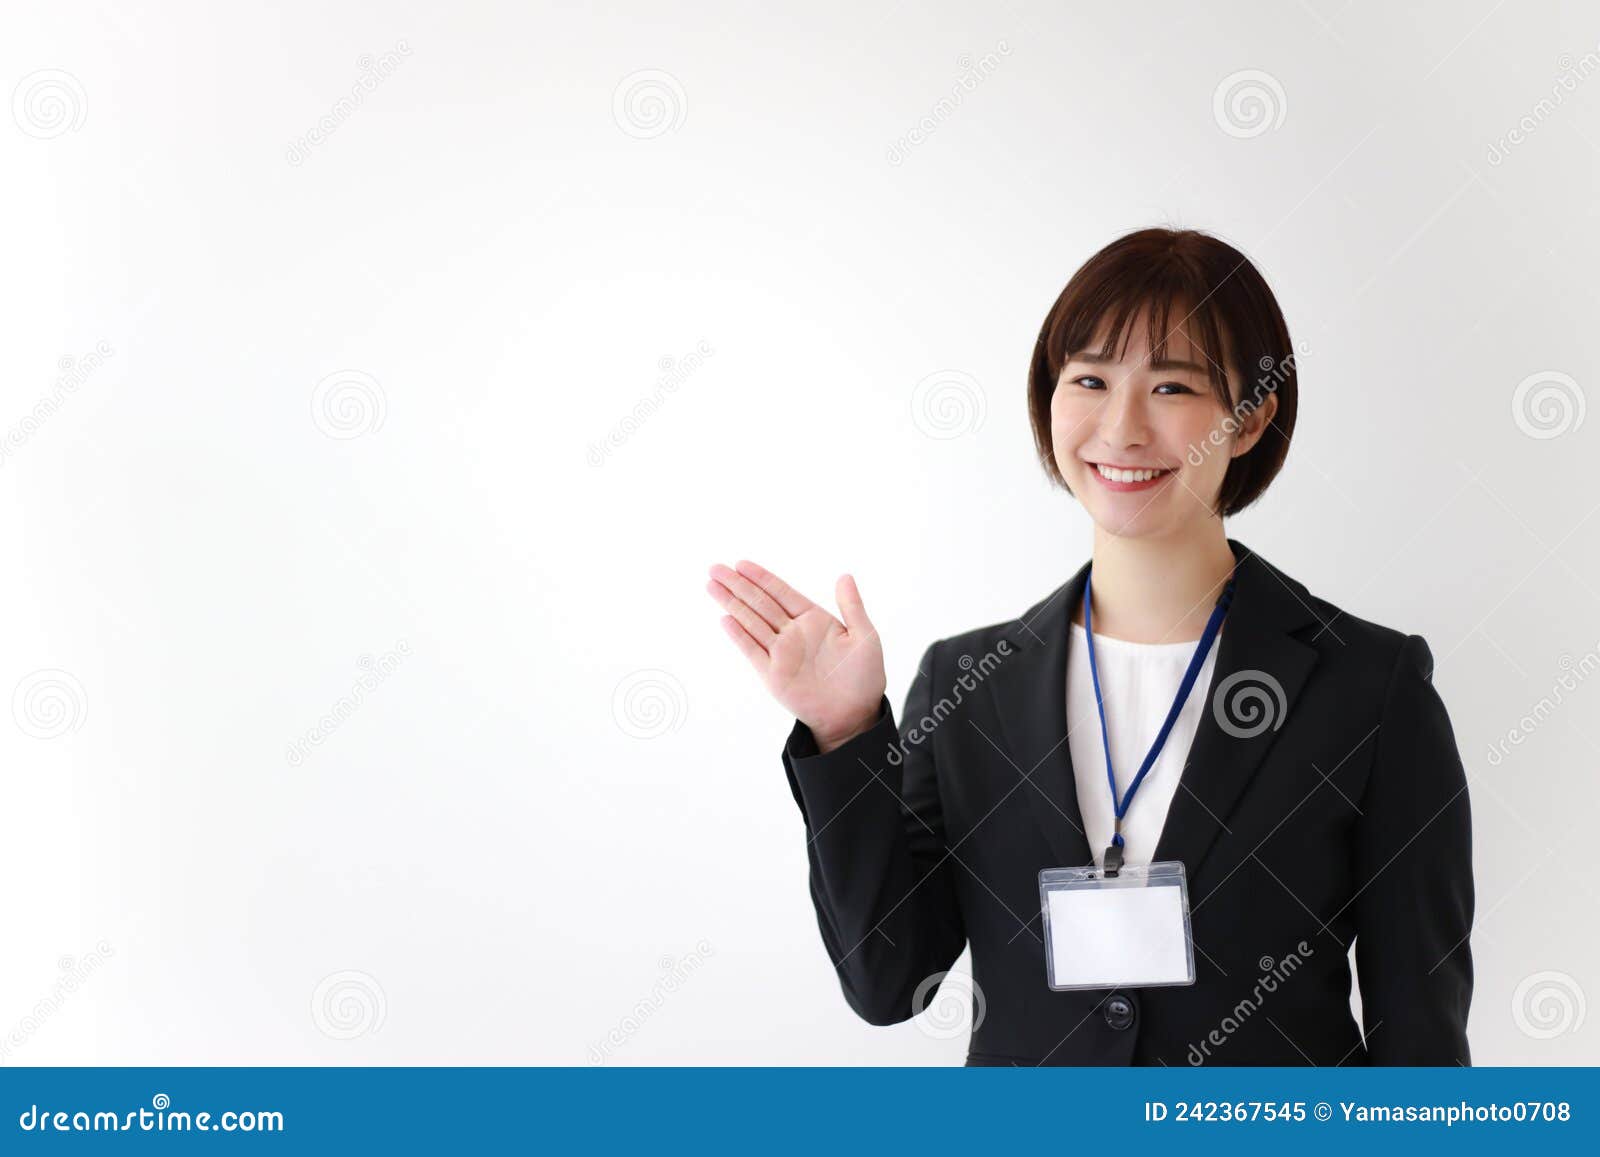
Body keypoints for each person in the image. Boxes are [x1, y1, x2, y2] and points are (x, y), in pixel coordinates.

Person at [705, 227, 1473, 1066]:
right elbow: (890, 980)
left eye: (1173, 386)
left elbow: (1422, 1036)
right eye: (1090, 379)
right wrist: (846, 733)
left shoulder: (1370, 684)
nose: (1122, 427)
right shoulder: (968, 685)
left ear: (1249, 421)